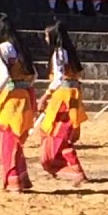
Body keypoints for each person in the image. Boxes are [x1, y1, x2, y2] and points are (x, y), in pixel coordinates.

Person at [0, 16, 37, 193]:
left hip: (10, 100)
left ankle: (13, 180)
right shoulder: (20, 48)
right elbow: (33, 75)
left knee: (8, 141)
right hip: (24, 97)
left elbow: (3, 77)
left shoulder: (2, 48)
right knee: (16, 142)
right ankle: (20, 177)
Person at [38, 22, 88, 186]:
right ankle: (56, 166)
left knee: (58, 133)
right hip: (71, 94)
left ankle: (72, 169)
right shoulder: (69, 53)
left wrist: (45, 96)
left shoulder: (59, 53)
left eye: (47, 35)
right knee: (51, 131)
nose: (45, 39)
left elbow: (59, 78)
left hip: (63, 96)